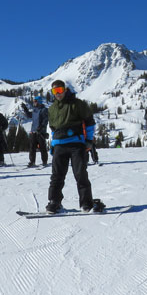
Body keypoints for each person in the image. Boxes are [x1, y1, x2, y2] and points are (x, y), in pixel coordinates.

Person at [46, 80, 104, 214]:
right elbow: (53, 129)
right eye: (55, 91)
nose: (58, 94)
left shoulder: (77, 104)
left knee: (80, 174)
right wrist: (53, 144)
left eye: (60, 90)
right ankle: (54, 202)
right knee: (57, 176)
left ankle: (86, 204)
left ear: (65, 90)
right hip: (59, 145)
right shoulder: (52, 109)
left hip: (76, 145)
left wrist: (89, 140)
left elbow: (89, 122)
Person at [21, 96, 49, 167]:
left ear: (39, 101)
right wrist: (25, 109)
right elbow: (30, 115)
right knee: (32, 147)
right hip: (33, 131)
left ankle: (44, 161)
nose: (34, 102)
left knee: (42, 147)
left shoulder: (44, 110)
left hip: (40, 132)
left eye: (35, 101)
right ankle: (32, 161)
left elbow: (45, 120)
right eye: (33, 101)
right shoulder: (35, 110)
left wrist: (41, 127)